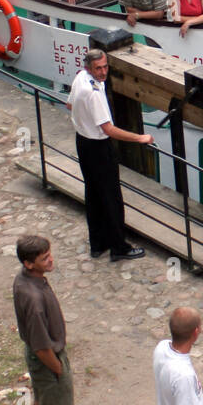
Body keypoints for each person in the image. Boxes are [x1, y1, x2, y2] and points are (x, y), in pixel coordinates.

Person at [13, 235, 84, 405]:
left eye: (49, 254)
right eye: (44, 258)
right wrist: (57, 369)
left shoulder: (25, 279)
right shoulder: (32, 298)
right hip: (47, 358)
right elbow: (42, 347)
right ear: (29, 263)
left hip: (40, 356)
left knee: (42, 403)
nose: (51, 259)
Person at [69, 48, 153, 260]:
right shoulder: (94, 93)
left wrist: (83, 121)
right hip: (98, 147)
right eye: (98, 68)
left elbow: (69, 103)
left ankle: (97, 243)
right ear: (90, 68)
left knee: (93, 193)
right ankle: (118, 247)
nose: (103, 72)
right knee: (112, 197)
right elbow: (109, 130)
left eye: (105, 66)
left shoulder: (80, 78)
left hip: (82, 141)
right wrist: (139, 138)